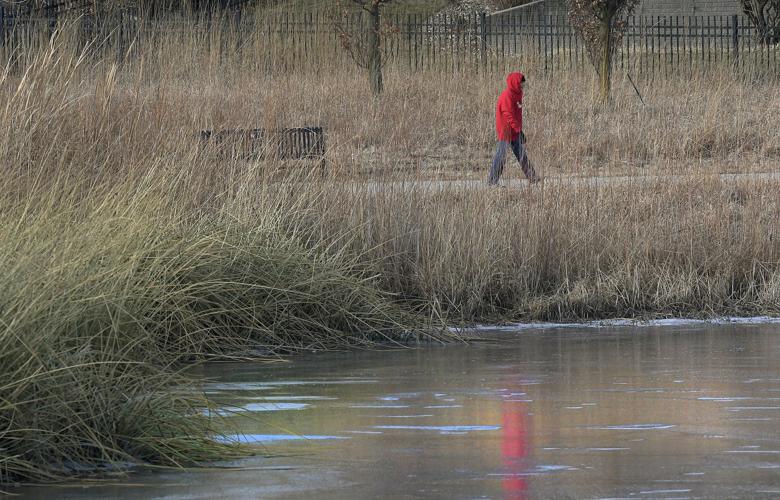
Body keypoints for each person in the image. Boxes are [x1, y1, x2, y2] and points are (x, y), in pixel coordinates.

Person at [488, 72, 540, 186]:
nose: (522, 86)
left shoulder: (517, 94)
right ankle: (492, 181)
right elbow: (509, 115)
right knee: (501, 156)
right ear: (515, 83)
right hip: (506, 130)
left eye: (523, 83)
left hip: (514, 130)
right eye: (521, 83)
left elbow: (516, 114)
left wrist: (518, 129)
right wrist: (519, 130)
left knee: (521, 154)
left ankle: (533, 178)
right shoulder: (507, 96)